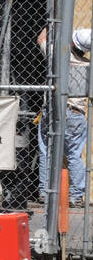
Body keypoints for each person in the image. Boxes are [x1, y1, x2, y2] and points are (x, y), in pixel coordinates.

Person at [36, 27, 90, 207]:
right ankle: (75, 196)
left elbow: (41, 38)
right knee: (74, 154)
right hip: (75, 112)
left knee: (46, 150)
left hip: (52, 109)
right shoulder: (87, 66)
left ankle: (45, 191)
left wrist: (57, 23)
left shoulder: (57, 57)